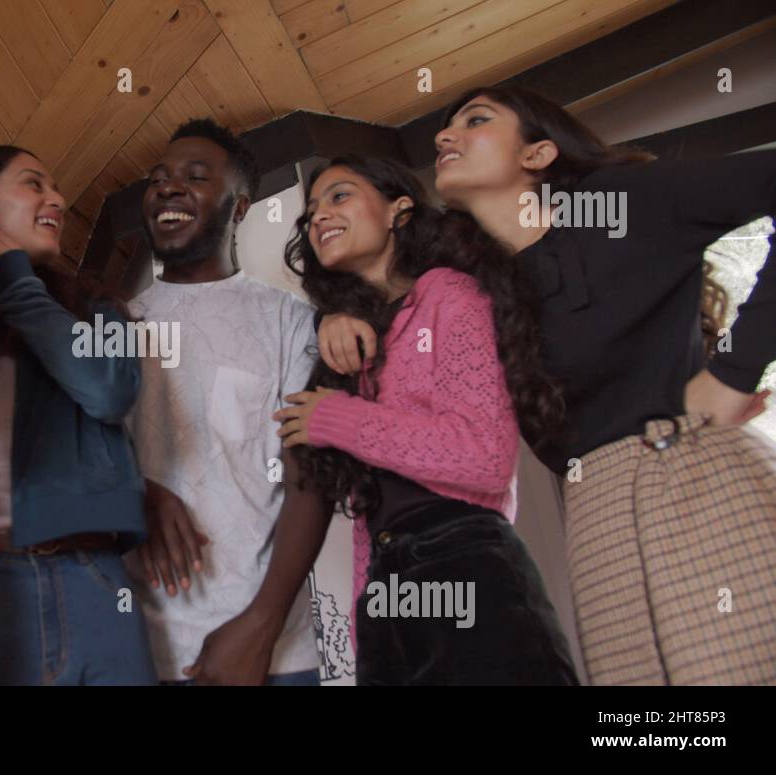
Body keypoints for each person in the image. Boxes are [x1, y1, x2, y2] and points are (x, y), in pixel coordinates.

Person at [434, 85, 776, 685]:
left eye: (476, 120)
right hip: (597, 530)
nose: (444, 136)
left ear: (537, 154)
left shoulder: (622, 202)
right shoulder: (479, 290)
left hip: (701, 490)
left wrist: (734, 372)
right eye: (447, 127)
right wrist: (342, 314)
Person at [254, 155, 577, 685]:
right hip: (385, 584)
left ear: (398, 210)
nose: (317, 217)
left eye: (339, 196)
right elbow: (374, 512)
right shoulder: (354, 339)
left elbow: (485, 457)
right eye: (310, 210)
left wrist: (336, 418)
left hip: (466, 561)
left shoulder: (449, 293)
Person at [0, 145, 156, 685]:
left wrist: (13, 280)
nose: (56, 198)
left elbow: (106, 392)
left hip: (93, 582)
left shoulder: (96, 311)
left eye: (55, 187)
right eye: (33, 183)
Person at [124, 119, 323, 685]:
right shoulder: (115, 325)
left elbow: (310, 477)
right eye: (158, 177)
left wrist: (260, 626)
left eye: (194, 176)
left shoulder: (289, 320)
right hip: (145, 651)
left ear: (239, 208)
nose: (167, 187)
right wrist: (138, 489)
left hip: (273, 653)